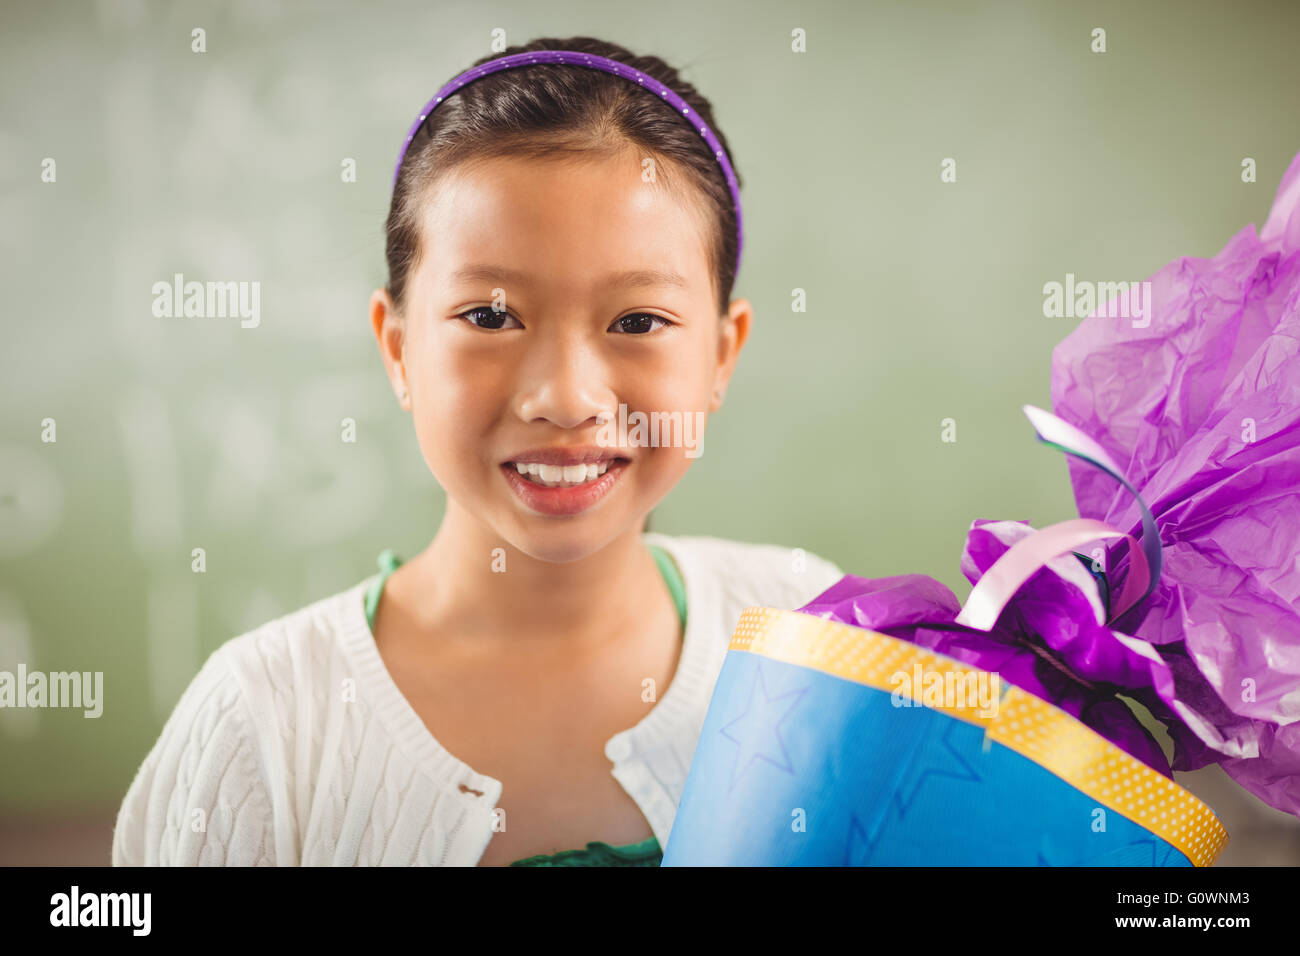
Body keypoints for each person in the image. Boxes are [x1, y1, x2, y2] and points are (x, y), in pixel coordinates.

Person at [111, 35, 844, 867]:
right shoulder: (262, 727)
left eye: (638, 321)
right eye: (490, 317)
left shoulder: (811, 638)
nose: (564, 397)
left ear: (720, 356)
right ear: (398, 349)